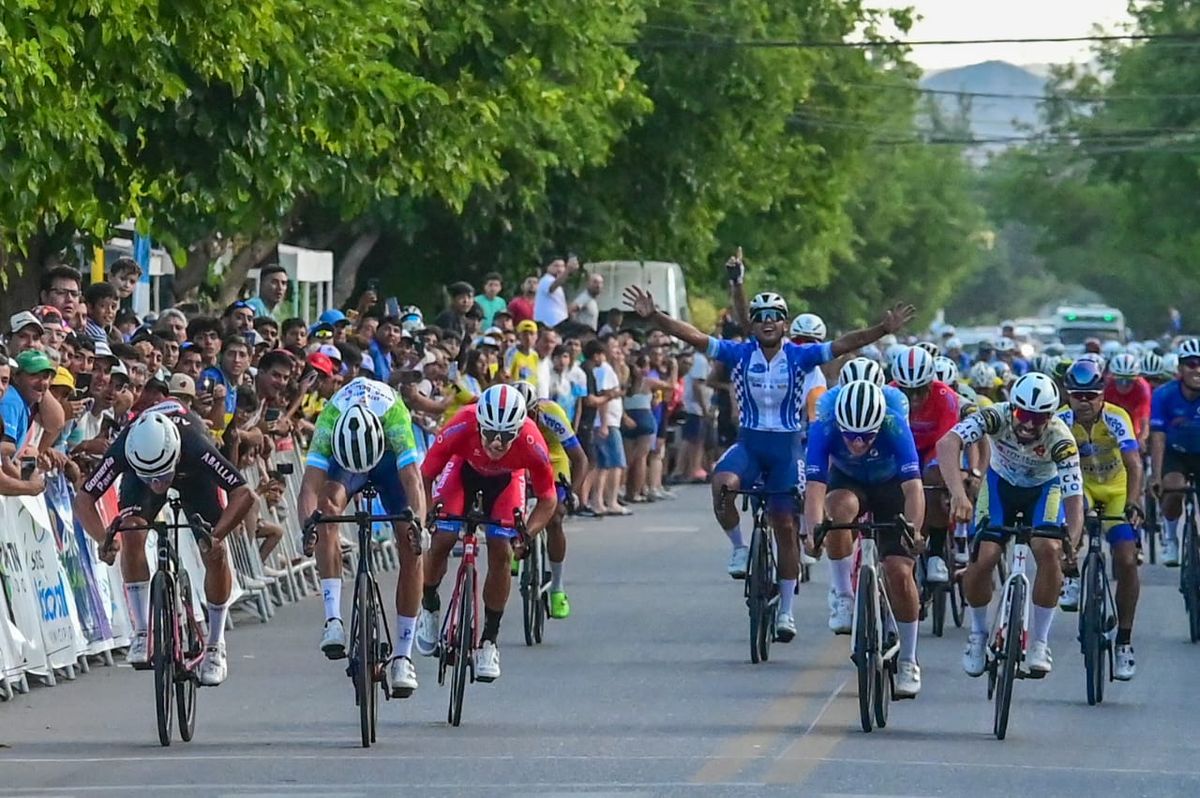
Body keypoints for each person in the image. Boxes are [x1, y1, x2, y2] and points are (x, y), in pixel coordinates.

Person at [624, 275, 914, 648]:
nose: (767, 321)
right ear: (754, 323)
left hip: (787, 447)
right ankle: (739, 547)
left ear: (784, 323)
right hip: (750, 443)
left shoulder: (800, 355)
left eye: (774, 316)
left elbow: (844, 343)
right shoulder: (738, 353)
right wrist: (657, 317)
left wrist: (881, 329)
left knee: (784, 524)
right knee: (723, 484)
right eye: (760, 316)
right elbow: (694, 337)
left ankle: (786, 610)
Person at [74, 404, 256, 686]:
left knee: (215, 552)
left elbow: (244, 493)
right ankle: (143, 632)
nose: (158, 483)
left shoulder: (195, 445)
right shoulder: (125, 446)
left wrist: (216, 536)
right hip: (138, 481)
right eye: (152, 476)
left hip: (194, 478)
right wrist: (103, 538)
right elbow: (84, 499)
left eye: (161, 475)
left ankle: (215, 645)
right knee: (131, 530)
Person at [938, 372, 1084, 678]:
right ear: (1012, 407)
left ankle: (1040, 641)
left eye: (1038, 417)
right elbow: (948, 443)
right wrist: (959, 495)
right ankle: (978, 635)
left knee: (1049, 550)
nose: (1029, 424)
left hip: (1043, 491)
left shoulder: (1061, 438)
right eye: (1022, 414)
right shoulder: (995, 416)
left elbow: (1073, 497)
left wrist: (1072, 540)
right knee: (985, 556)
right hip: (1000, 485)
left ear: (1051, 416)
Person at [415, 385, 558, 682]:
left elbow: (548, 500)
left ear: (518, 430)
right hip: (462, 472)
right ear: (479, 422)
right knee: (442, 539)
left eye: (506, 436)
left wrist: (527, 534)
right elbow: (425, 475)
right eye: (490, 432)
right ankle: (429, 607)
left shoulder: (532, 441)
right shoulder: (462, 423)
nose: (496, 442)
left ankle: (489, 641)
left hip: (506, 482)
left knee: (501, 551)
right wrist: (428, 512)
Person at [296, 376, 427, 697]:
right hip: (346, 461)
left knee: (410, 543)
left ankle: (403, 656)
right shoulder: (329, 418)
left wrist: (418, 527)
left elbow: (414, 483)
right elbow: (309, 489)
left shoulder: (394, 415)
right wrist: (307, 527)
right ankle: (333, 622)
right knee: (326, 510)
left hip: (386, 461)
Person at [806, 381, 925, 696]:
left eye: (867, 436)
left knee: (900, 573)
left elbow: (913, 487)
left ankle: (909, 660)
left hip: (891, 485)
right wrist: (813, 531)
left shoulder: (894, 424)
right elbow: (815, 489)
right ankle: (844, 595)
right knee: (836, 512)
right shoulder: (824, 427)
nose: (858, 443)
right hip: (849, 482)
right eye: (851, 436)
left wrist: (913, 530)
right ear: (840, 425)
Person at [1057, 359, 1142, 680]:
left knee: (1127, 560)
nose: (1085, 402)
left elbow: (1134, 464)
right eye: (1077, 395)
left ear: (1102, 395)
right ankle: (1073, 575)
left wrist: (1133, 502)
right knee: (1068, 530)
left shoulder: (1117, 417)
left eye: (1091, 395)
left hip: (1117, 490)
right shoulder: (1060, 421)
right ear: (1068, 395)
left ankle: (1123, 641)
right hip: (1081, 487)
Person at [511, 382, 588, 618]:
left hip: (553, 461)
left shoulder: (551, 415)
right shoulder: (509, 419)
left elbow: (580, 459)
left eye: (528, 416)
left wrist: (572, 492)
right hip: (522, 460)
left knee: (555, 518)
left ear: (536, 410)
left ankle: (557, 587)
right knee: (509, 506)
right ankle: (512, 542)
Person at [890, 346, 962, 583]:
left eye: (920, 391)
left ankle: (937, 554)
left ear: (931, 383)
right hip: (901, 448)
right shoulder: (887, 395)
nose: (914, 399)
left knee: (934, 481)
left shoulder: (946, 398)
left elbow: (947, 444)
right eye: (907, 391)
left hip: (934, 448)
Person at [1149, 339, 1200, 567]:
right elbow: (1158, 437)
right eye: (1191, 364)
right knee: (1173, 492)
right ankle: (1170, 538)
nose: (1197, 369)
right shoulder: (1163, 394)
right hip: (1175, 453)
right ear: (1180, 369)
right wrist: (1156, 476)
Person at [1104, 352, 1151, 451]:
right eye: (1120, 380)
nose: (1124, 385)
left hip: (1134, 419)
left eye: (1129, 380)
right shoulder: (1107, 386)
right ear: (1113, 377)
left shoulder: (1142, 388)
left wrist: (1142, 438)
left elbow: (1144, 419)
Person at [534, 255, 579, 328]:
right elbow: (552, 287)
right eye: (556, 266)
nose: (560, 269)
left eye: (562, 266)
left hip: (559, 321)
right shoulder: (546, 279)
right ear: (548, 267)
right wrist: (567, 271)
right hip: (551, 323)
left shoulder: (558, 284)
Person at [505, 320, 541, 384]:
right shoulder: (511, 353)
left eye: (531, 334)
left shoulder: (535, 355)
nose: (528, 338)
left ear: (536, 336)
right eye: (525, 334)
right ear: (519, 336)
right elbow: (506, 376)